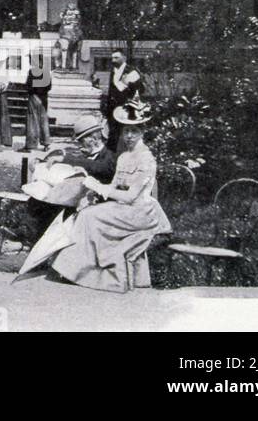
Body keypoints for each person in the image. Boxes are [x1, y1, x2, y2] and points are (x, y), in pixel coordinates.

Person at [36, 102, 171, 292]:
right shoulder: (124, 157)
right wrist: (93, 189)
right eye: (126, 131)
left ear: (143, 131)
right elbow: (113, 186)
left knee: (89, 216)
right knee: (86, 212)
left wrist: (98, 187)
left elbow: (131, 197)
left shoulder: (146, 159)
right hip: (121, 207)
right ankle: (78, 271)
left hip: (140, 211)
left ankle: (82, 272)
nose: (129, 136)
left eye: (134, 131)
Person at [19, 112, 117, 245]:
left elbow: (100, 168)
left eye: (81, 140)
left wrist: (66, 159)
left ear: (93, 138)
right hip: (76, 196)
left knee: (52, 206)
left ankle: (33, 236)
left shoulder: (109, 156)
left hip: (95, 200)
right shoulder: (84, 156)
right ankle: (28, 231)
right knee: (44, 192)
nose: (80, 144)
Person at [102, 50, 143, 151]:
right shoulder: (113, 71)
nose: (113, 60)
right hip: (113, 108)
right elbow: (111, 90)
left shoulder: (132, 71)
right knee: (113, 134)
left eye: (116, 58)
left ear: (124, 58)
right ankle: (111, 155)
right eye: (112, 58)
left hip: (126, 108)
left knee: (125, 133)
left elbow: (140, 89)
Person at [24, 49, 52, 151]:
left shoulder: (32, 72)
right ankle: (46, 143)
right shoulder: (46, 72)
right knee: (44, 121)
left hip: (33, 98)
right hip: (43, 100)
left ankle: (31, 144)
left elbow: (28, 86)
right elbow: (49, 87)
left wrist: (34, 91)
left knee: (32, 121)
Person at [59, 3, 82, 72]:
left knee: (76, 51)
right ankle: (64, 66)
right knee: (65, 49)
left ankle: (74, 66)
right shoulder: (64, 26)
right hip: (66, 35)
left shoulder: (77, 28)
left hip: (74, 36)